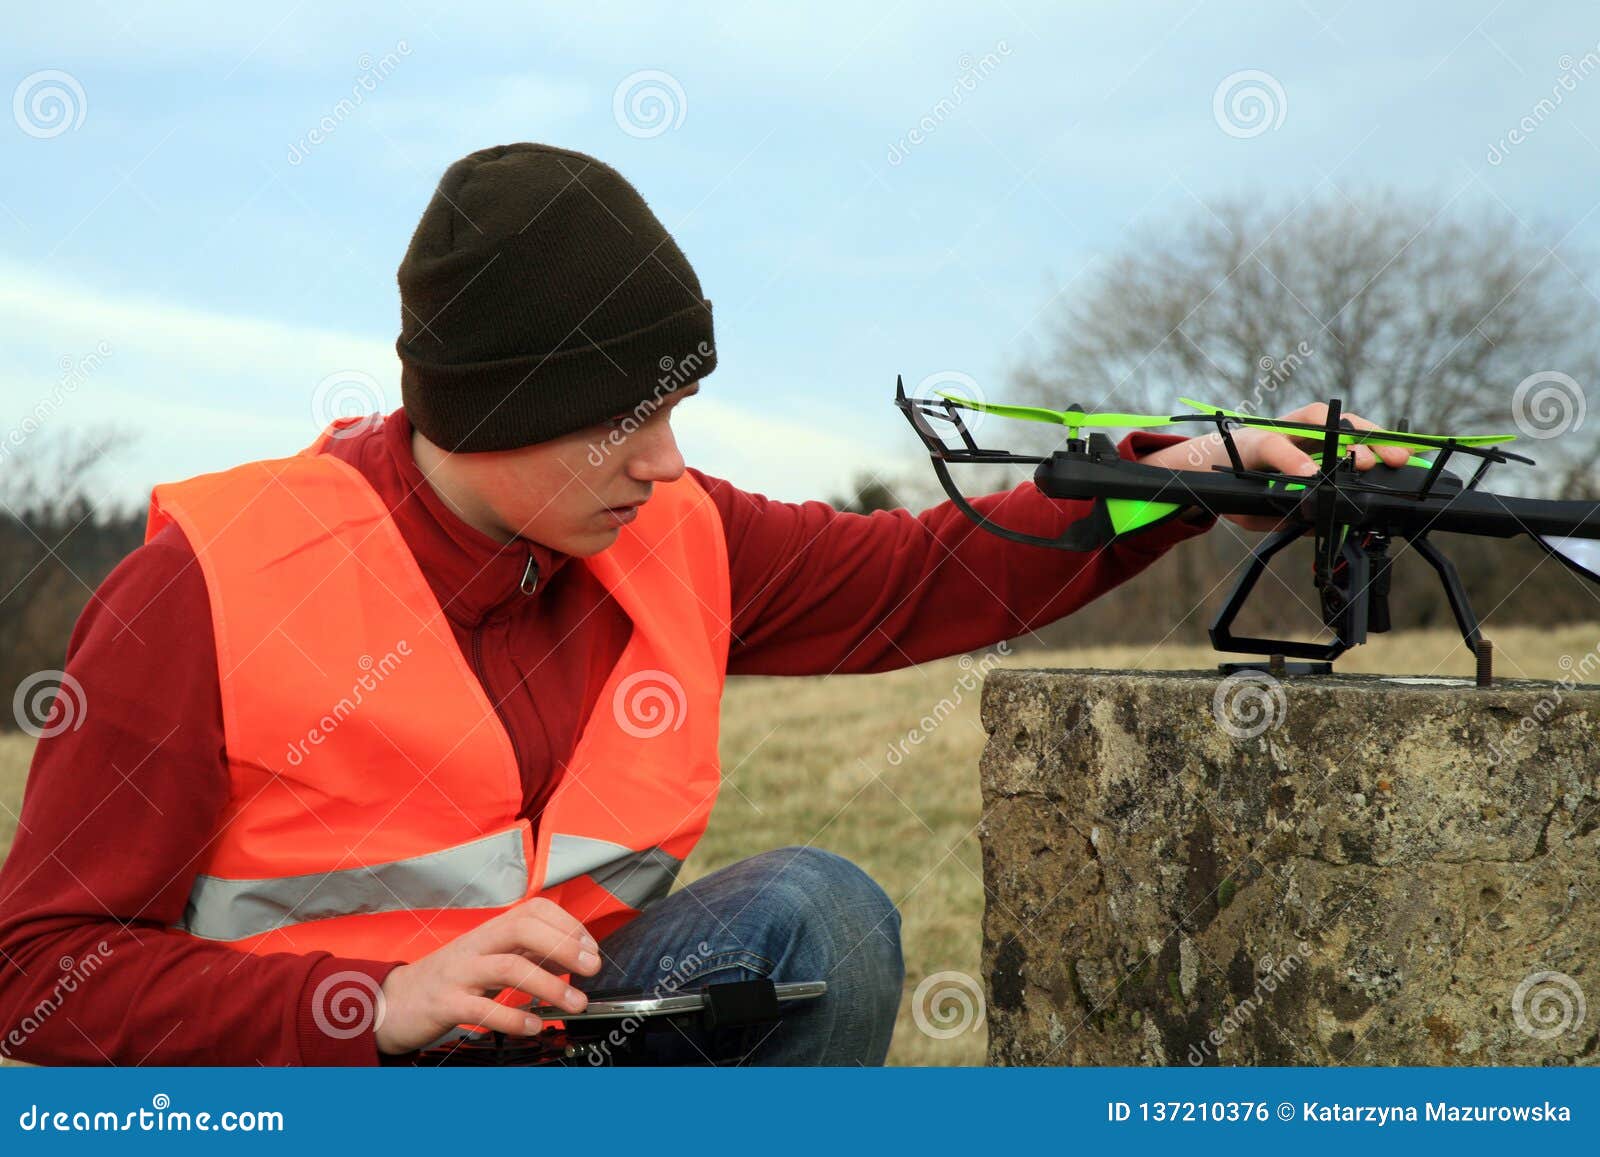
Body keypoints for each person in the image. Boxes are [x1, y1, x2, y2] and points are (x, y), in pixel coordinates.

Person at [0, 143, 1408, 1067]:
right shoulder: (200, 592)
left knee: (818, 914)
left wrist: (1188, 470)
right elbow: (39, 976)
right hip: (317, 1088)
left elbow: (929, 572)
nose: (669, 462)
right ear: (500, 411)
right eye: (625, 421)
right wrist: (376, 1002)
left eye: (676, 409)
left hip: (568, 1056)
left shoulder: (673, 528)